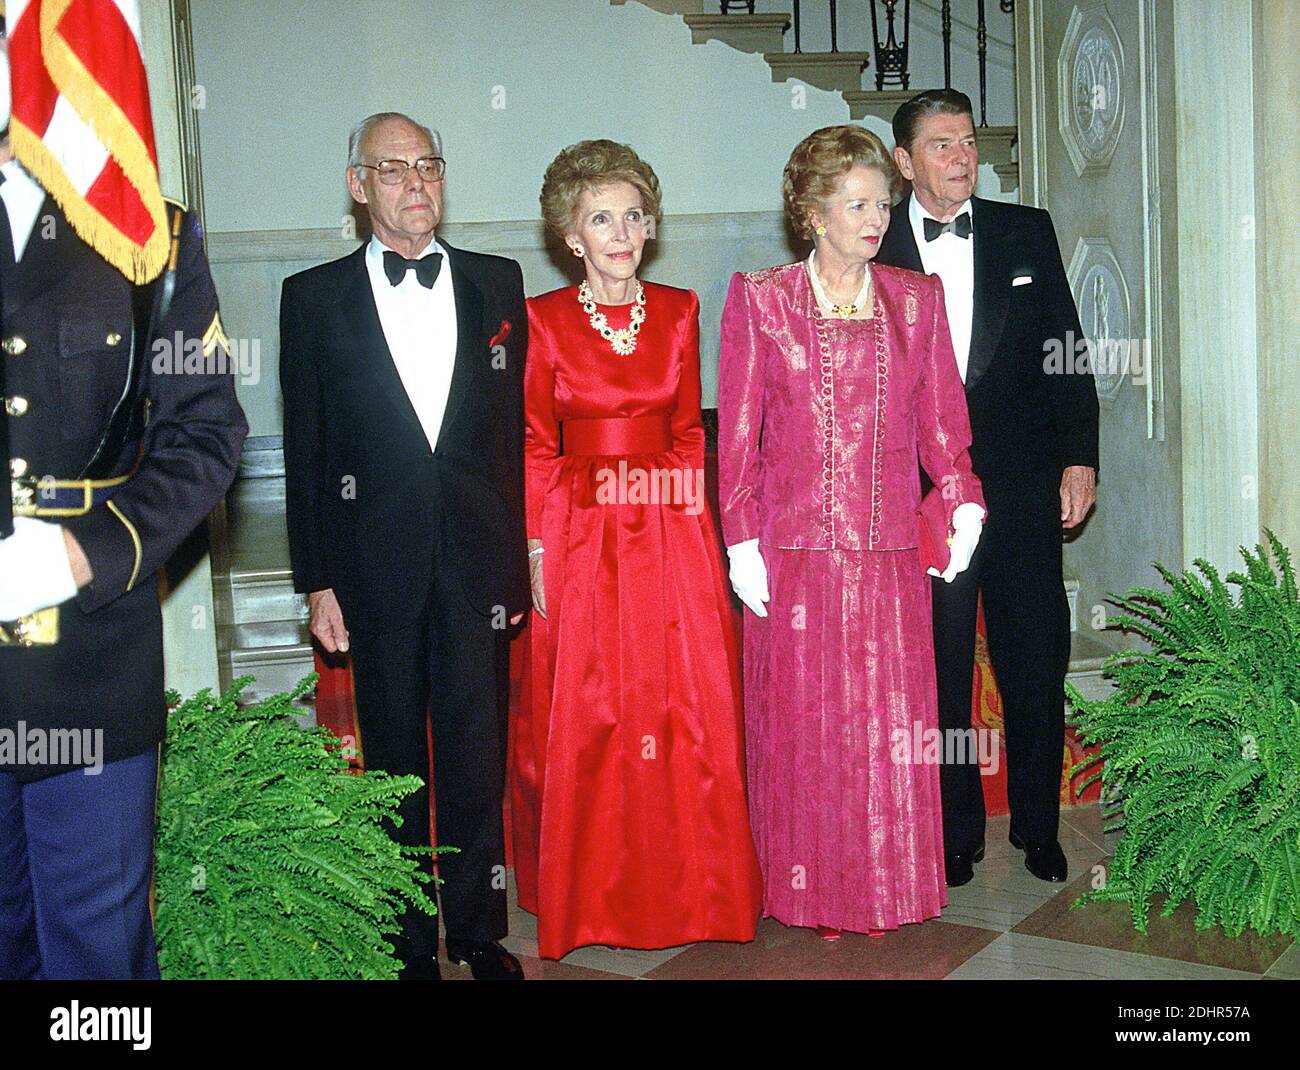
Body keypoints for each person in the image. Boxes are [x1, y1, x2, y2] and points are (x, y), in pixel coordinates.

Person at [0, 38, 248, 977]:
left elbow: (205, 435)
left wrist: (85, 552)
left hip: (88, 662)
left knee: (97, 960)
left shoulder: (151, 233)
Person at [718, 125, 985, 937]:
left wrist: (963, 495)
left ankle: (888, 889)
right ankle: (804, 892)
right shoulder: (760, 299)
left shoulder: (916, 298)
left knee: (887, 738)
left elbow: (943, 425)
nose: (876, 218)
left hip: (891, 560)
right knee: (807, 737)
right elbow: (738, 436)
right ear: (813, 211)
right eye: (858, 203)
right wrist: (740, 538)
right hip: (791, 560)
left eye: (883, 202)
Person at [280, 112, 529, 980]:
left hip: (475, 564)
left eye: (429, 165)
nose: (416, 184)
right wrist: (317, 582)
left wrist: (517, 557)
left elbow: (510, 441)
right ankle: (405, 940)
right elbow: (305, 454)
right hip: (370, 571)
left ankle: (478, 931)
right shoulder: (311, 299)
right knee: (391, 766)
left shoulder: (499, 283)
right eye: (394, 170)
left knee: (474, 759)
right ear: (358, 186)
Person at [512, 139, 762, 959]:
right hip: (582, 534)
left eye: (632, 217)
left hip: (668, 532)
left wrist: (685, 528)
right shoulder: (544, 321)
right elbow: (533, 444)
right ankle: (593, 900)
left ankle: (698, 893)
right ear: (571, 236)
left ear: (648, 227)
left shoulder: (683, 309)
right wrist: (543, 547)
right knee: (592, 709)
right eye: (600, 219)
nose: (620, 233)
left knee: (680, 706)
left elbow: (693, 432)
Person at [876, 89, 1100, 887]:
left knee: (1035, 654)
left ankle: (1039, 827)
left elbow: (1066, 349)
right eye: (941, 145)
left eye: (967, 141)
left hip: (1022, 482)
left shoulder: (1023, 229)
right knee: (938, 667)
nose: (963, 156)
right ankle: (955, 833)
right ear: (904, 162)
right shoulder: (872, 245)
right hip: (921, 494)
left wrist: (1079, 455)